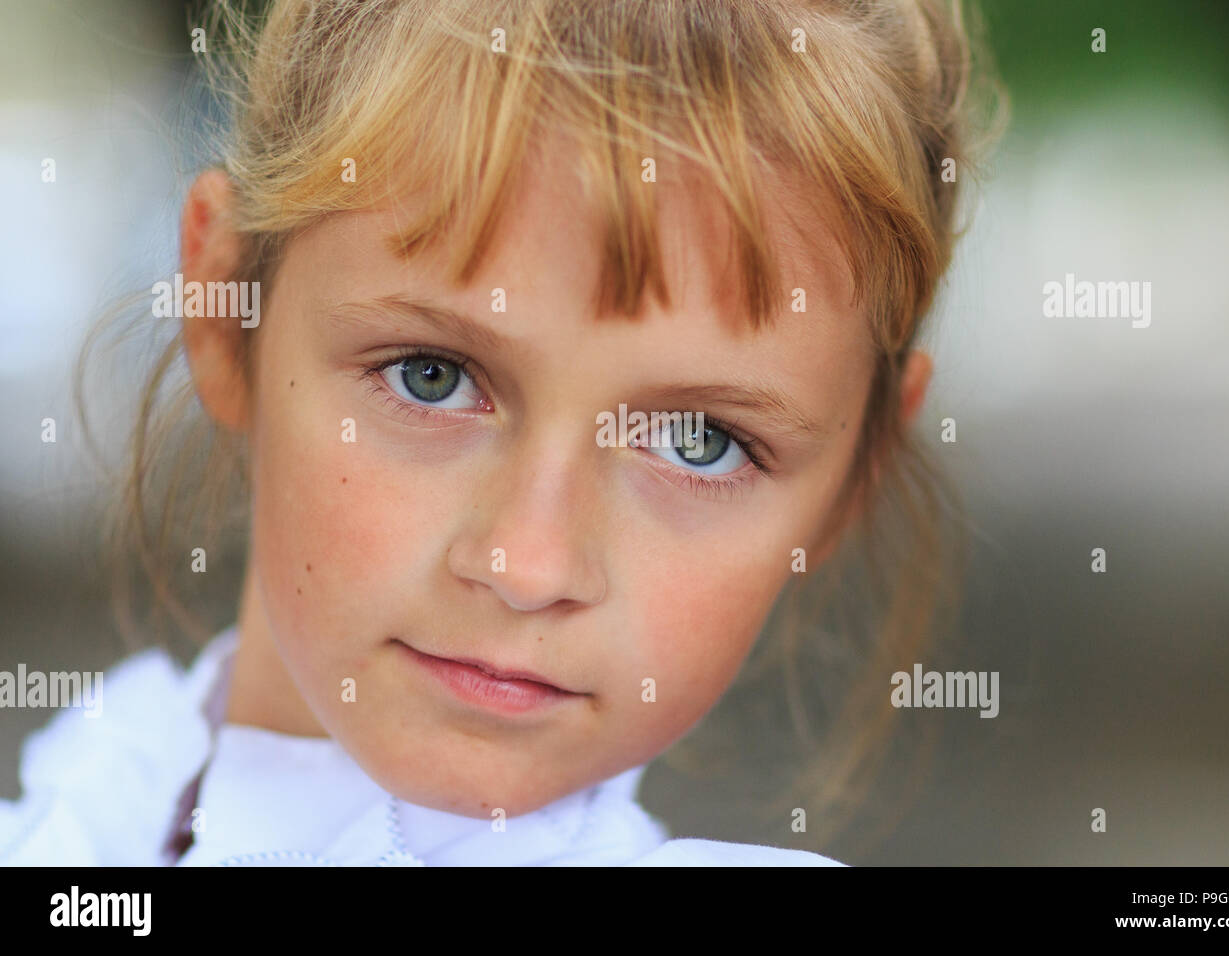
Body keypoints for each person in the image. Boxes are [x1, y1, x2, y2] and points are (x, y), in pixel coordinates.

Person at [1, 0, 1000, 865]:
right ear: (225, 315)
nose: (529, 562)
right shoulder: (92, 798)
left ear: (849, 480)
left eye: (699, 440)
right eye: (431, 378)